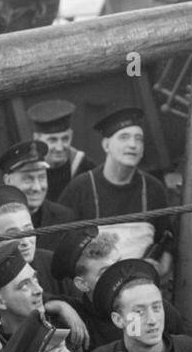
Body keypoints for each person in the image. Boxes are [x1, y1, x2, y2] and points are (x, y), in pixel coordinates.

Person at [57, 106, 174, 275]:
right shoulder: (81, 187)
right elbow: (60, 244)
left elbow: (168, 238)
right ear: (106, 145)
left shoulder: (153, 189)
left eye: (139, 139)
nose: (132, 145)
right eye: (124, 137)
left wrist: (160, 268)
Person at [0, 187, 90, 347]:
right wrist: (56, 305)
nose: (25, 241)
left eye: (29, 230)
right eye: (13, 234)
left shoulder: (52, 262)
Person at [52, 226, 185, 348]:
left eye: (119, 263)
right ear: (82, 284)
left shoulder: (157, 308)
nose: (119, 275)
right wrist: (60, 306)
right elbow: (36, 303)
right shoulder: (77, 318)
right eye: (105, 272)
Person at [0, 138, 73, 229]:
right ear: (8, 181)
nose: (37, 187)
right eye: (28, 179)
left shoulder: (64, 218)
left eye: (41, 178)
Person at [28, 99, 95, 197]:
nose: (59, 148)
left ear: (71, 135)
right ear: (37, 139)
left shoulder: (85, 167)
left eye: (65, 139)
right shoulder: (26, 169)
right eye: (52, 140)